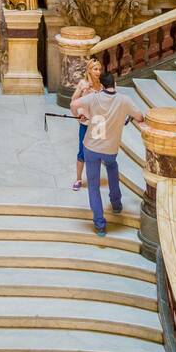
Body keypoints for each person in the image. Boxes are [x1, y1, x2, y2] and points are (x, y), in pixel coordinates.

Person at [71, 70, 145, 236]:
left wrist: (81, 115)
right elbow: (140, 116)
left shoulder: (94, 97)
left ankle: (99, 225)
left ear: (102, 85)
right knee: (112, 167)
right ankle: (116, 204)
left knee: (93, 186)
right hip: (110, 148)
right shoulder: (124, 100)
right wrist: (130, 116)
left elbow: (74, 104)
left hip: (91, 147)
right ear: (115, 84)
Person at [71, 58, 102, 191]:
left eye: (99, 69)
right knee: (82, 152)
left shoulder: (101, 85)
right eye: (95, 69)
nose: (98, 72)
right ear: (89, 70)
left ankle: (94, 180)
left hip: (98, 124)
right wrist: (77, 116)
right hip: (85, 124)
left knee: (97, 153)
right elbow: (73, 101)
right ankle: (78, 179)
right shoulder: (82, 84)